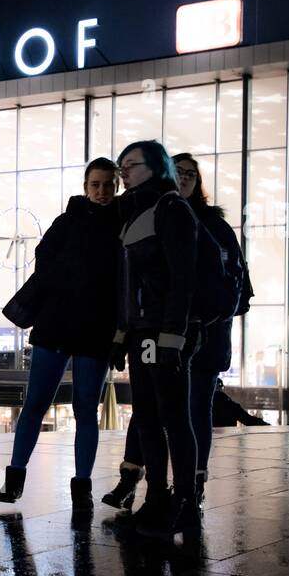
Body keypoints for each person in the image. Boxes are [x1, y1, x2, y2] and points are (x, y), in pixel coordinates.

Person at [105, 154, 250, 509]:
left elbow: (239, 291)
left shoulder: (213, 227)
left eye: (191, 174)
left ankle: (190, 489)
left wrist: (203, 319)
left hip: (201, 337)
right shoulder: (152, 216)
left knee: (193, 409)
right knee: (148, 409)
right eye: (178, 172)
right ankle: (134, 480)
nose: (184, 179)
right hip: (162, 333)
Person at [0, 158, 121, 511]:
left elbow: (47, 262)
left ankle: (72, 487)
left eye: (108, 185)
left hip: (81, 327)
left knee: (81, 408)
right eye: (96, 185)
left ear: (116, 187)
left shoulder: (106, 225)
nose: (101, 192)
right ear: (86, 186)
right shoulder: (74, 222)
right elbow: (45, 262)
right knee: (40, 403)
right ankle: (32, 481)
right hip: (68, 325)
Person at [106, 140, 200, 537]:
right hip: (142, 332)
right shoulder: (134, 213)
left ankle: (185, 502)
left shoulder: (170, 208)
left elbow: (184, 278)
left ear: (154, 167)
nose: (123, 172)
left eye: (131, 164)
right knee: (146, 416)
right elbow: (129, 284)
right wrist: (121, 334)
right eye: (121, 165)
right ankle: (158, 497)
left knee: (174, 417)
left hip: (164, 331)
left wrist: (173, 337)